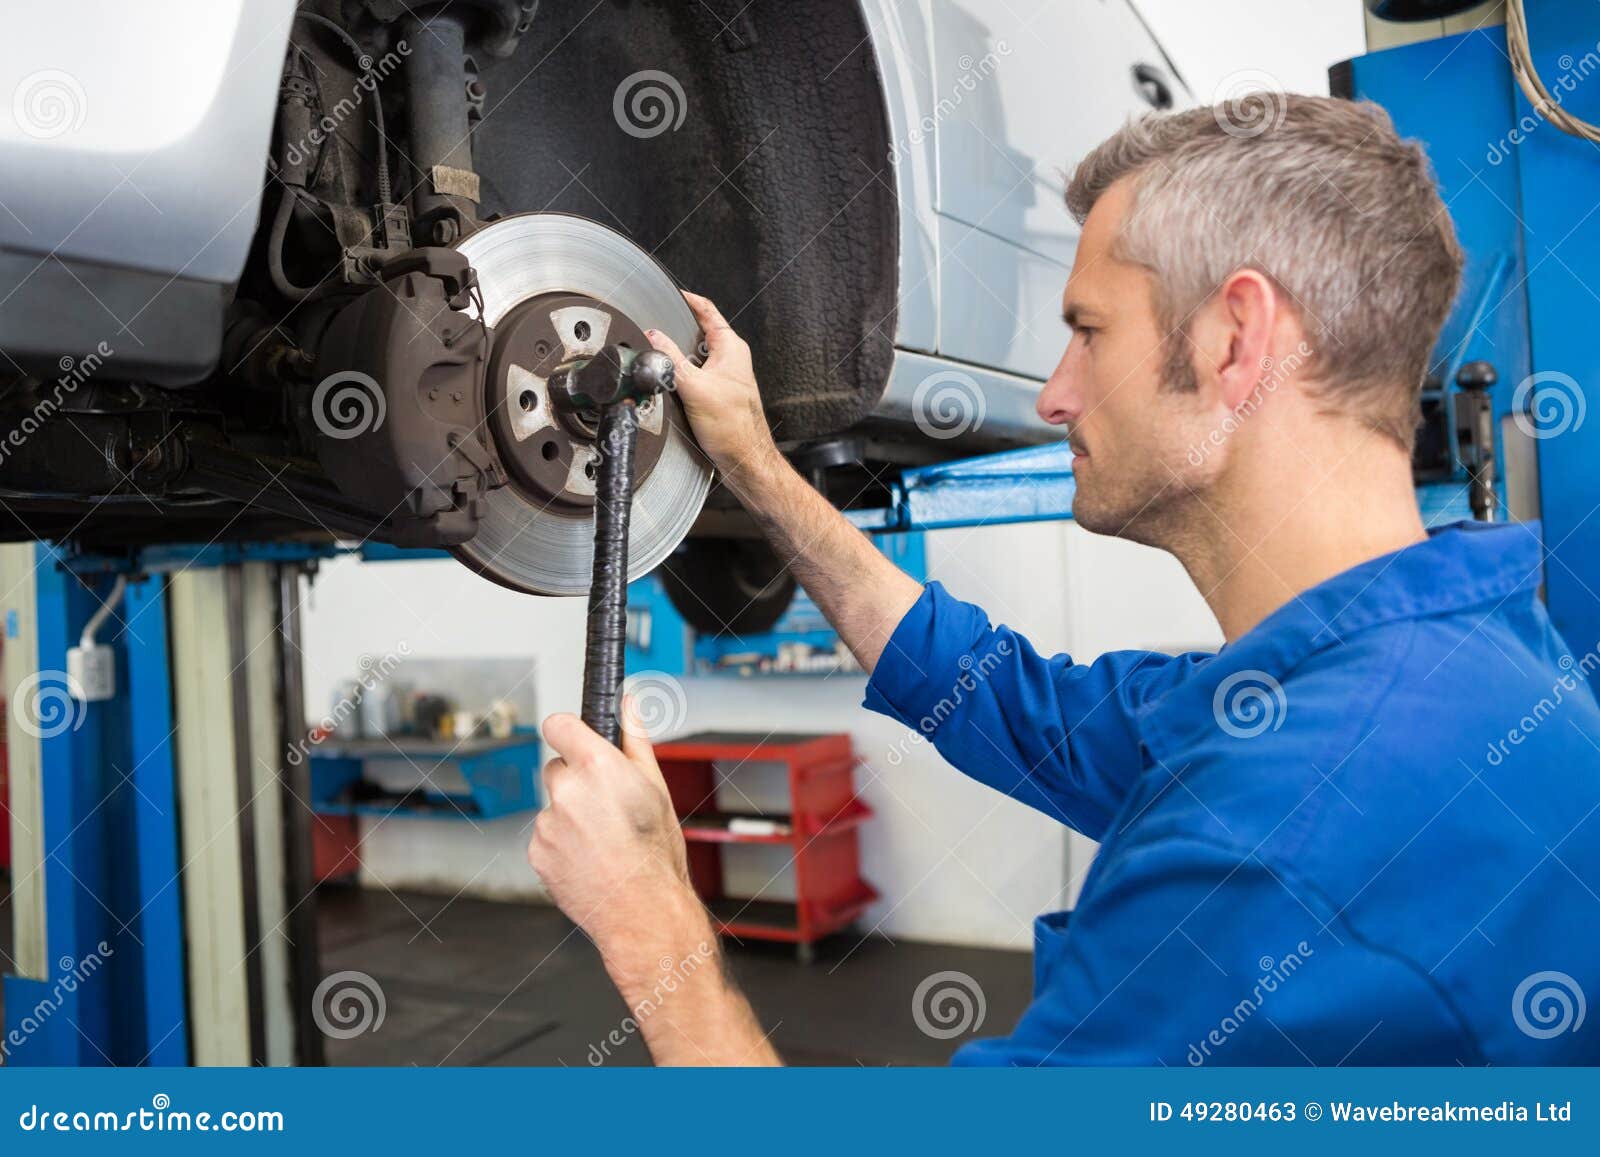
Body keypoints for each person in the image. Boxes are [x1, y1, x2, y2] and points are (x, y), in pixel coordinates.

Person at [528, 94, 1600, 1066]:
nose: (1053, 394)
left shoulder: (1273, 848)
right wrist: (760, 466)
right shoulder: (1438, 668)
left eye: (1087, 330)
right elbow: (994, 693)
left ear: (1237, 340)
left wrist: (649, 917)